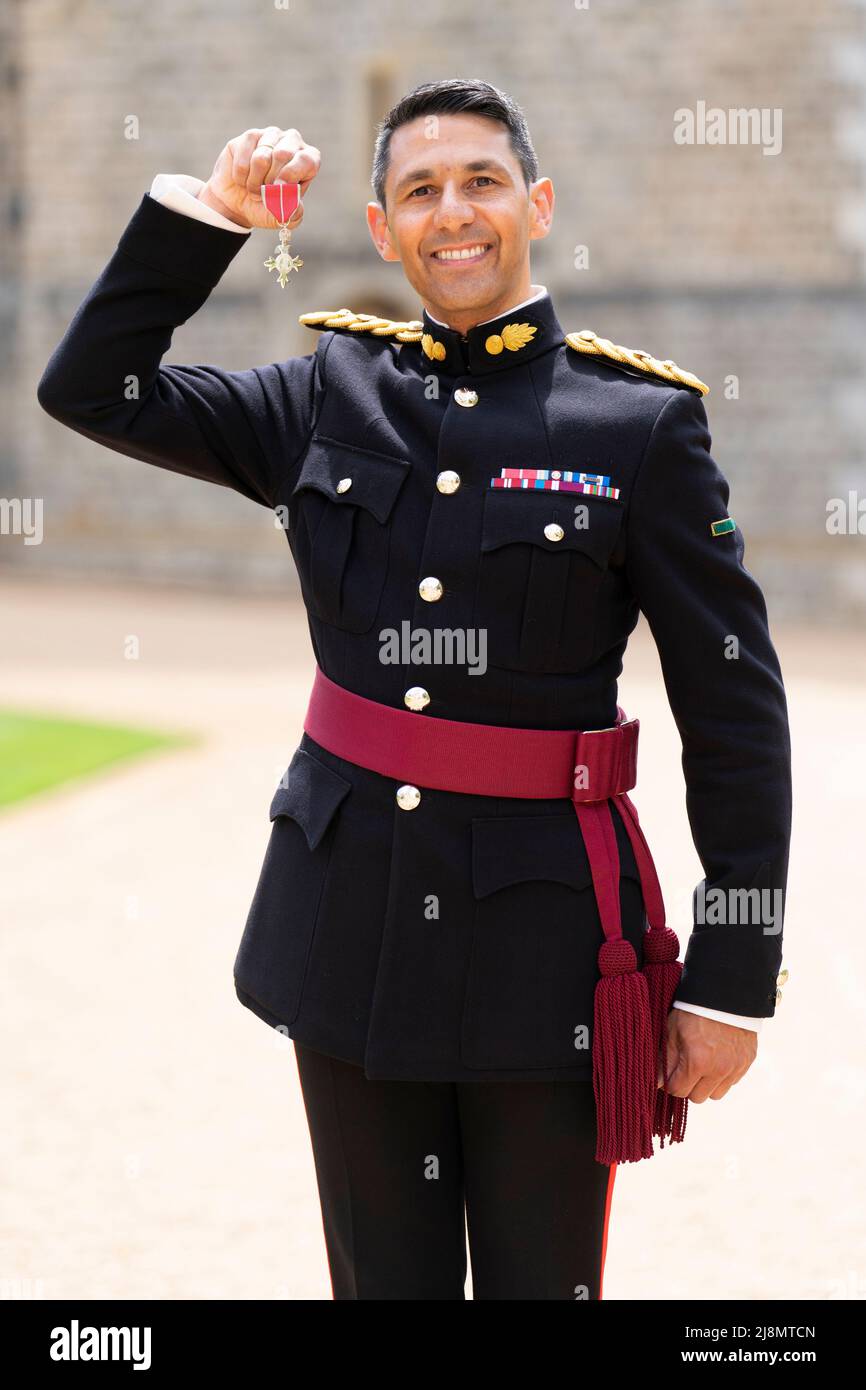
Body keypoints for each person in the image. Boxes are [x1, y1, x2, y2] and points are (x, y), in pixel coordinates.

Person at [36, 78, 792, 1301]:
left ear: (535, 205)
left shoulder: (636, 425)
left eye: (481, 182)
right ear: (382, 231)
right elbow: (92, 390)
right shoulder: (325, 394)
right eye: (419, 192)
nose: (454, 213)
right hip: (351, 926)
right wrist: (210, 215)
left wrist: (730, 975)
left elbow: (734, 708)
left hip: (548, 951)